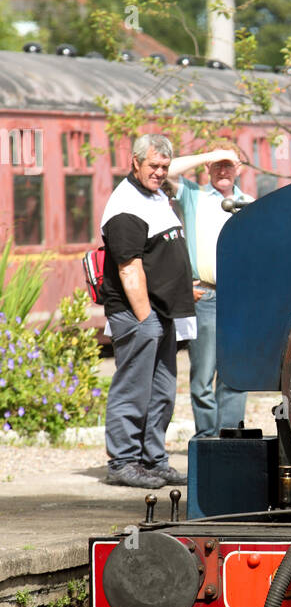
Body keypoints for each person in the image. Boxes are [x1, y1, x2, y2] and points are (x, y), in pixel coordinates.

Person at [101, 134, 196, 488]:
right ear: (135, 162)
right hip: (139, 314)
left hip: (162, 312)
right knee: (133, 389)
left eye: (165, 167)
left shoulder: (154, 192)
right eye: (153, 166)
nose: (160, 172)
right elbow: (129, 268)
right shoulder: (126, 205)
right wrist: (145, 320)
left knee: (162, 391)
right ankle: (123, 462)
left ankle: (153, 460)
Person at [166, 147, 252, 439]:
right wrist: (208, 155)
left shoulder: (249, 205)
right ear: (208, 169)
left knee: (234, 374)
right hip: (205, 296)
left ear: (239, 168)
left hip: (239, 298)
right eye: (217, 166)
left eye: (228, 166)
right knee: (202, 376)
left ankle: (229, 438)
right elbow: (166, 170)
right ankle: (206, 438)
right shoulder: (194, 196)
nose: (223, 171)